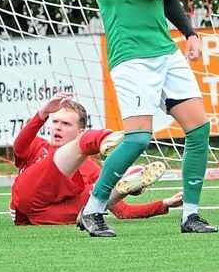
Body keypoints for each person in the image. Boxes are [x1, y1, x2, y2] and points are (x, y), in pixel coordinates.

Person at [77, 0, 216, 237]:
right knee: (138, 139)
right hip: (132, 56)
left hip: (166, 53)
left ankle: (191, 214)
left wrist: (190, 33)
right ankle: (92, 210)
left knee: (199, 129)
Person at [10, 92, 182, 226]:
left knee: (92, 201)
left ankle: (119, 186)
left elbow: (123, 212)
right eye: (56, 122)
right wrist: (44, 112)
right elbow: (19, 146)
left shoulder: (90, 168)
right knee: (58, 163)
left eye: (66, 124)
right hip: (27, 197)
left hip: (45, 216)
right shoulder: (38, 146)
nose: (58, 127)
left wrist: (164, 204)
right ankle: (101, 138)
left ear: (80, 131)